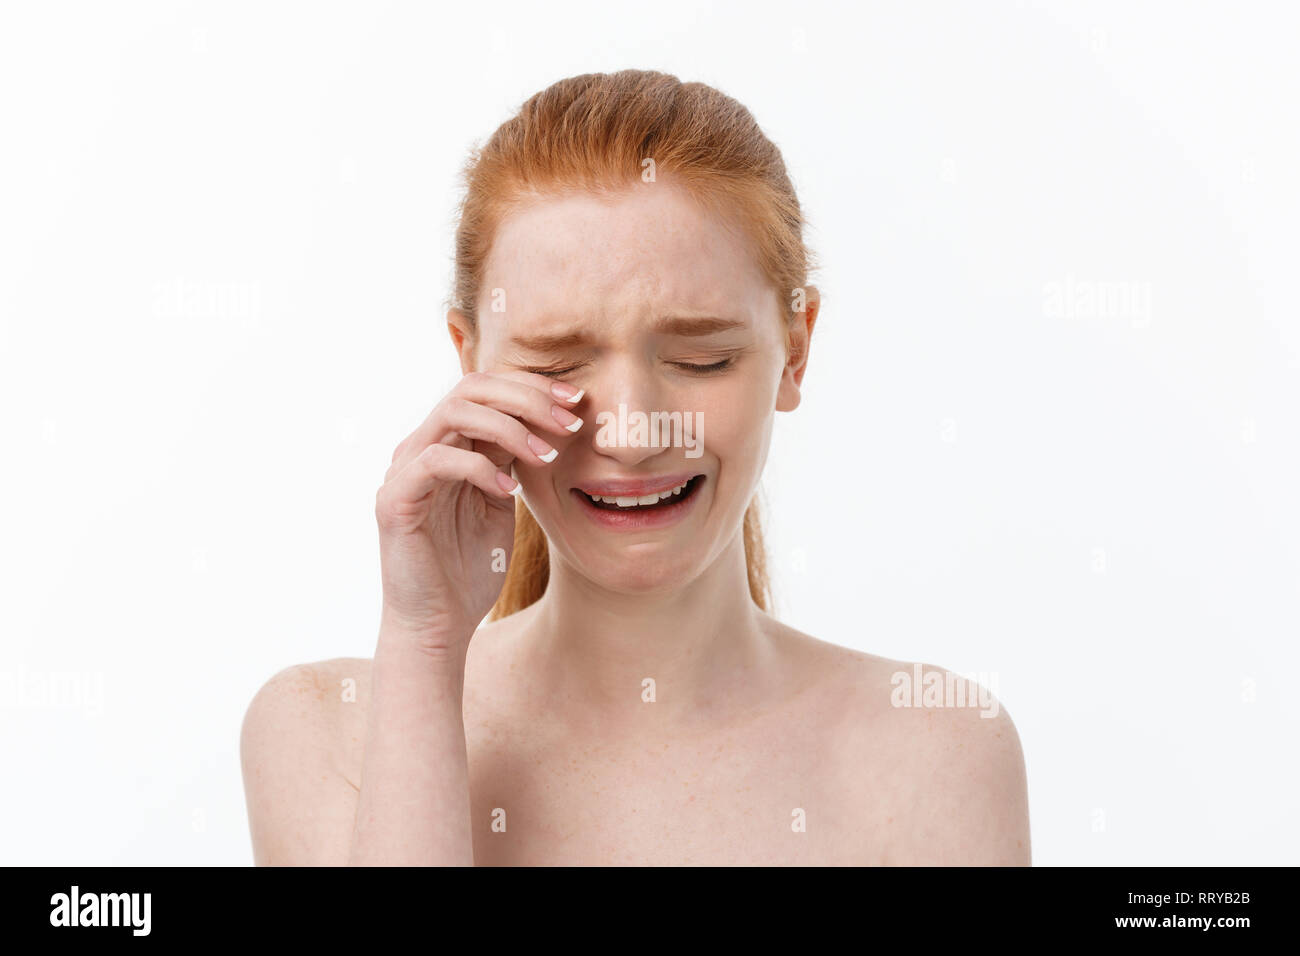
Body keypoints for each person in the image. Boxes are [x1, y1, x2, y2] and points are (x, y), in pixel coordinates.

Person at [240, 69, 1030, 865]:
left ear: (795, 350)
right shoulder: (328, 734)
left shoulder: (937, 754)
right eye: (557, 364)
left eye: (701, 359)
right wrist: (425, 643)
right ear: (471, 361)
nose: (629, 433)